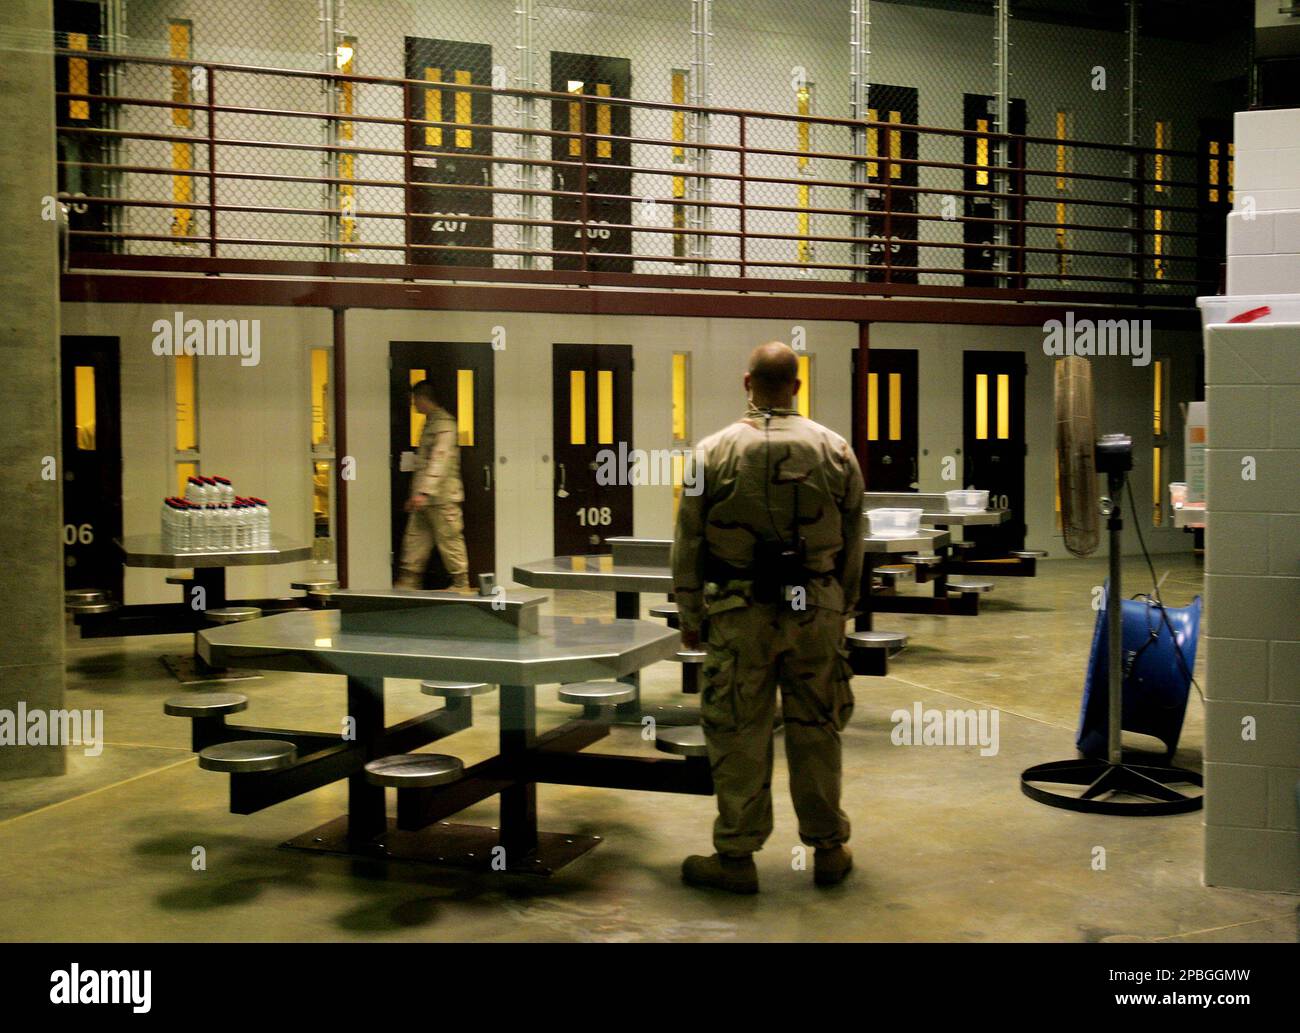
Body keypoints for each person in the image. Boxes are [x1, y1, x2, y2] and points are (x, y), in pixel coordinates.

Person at [671, 341, 865, 894]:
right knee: (818, 729)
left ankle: (736, 857)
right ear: (797, 386)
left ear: (746, 383)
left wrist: (690, 610)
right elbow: (855, 538)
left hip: (741, 612)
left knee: (738, 731)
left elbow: (688, 539)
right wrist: (843, 605)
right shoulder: (835, 450)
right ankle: (828, 850)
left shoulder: (712, 452)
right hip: (817, 611)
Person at [395, 380, 470, 591]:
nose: (413, 404)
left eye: (414, 400)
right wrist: (417, 495)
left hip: (442, 499)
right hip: (424, 500)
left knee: (449, 540)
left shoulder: (445, 425)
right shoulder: (430, 423)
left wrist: (424, 492)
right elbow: (424, 464)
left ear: (423, 398)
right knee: (415, 541)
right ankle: (408, 582)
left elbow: (439, 460)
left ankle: (461, 584)